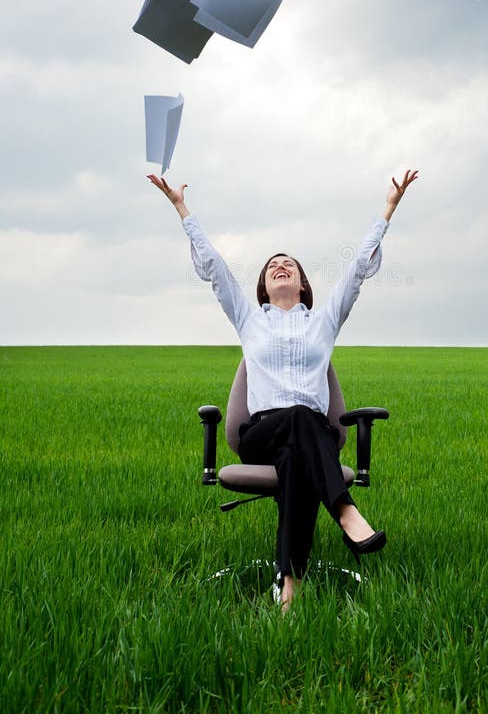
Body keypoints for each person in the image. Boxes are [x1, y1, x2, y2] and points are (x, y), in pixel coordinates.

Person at [148, 169, 418, 609]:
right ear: (262, 287)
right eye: (272, 266)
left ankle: (287, 580)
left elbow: (356, 271)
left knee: (299, 451)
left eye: (288, 264)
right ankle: (346, 512)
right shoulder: (250, 320)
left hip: (308, 438)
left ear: (303, 284)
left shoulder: (324, 322)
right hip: (260, 435)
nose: (280, 266)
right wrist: (181, 208)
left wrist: (389, 208)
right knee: (297, 417)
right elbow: (214, 268)